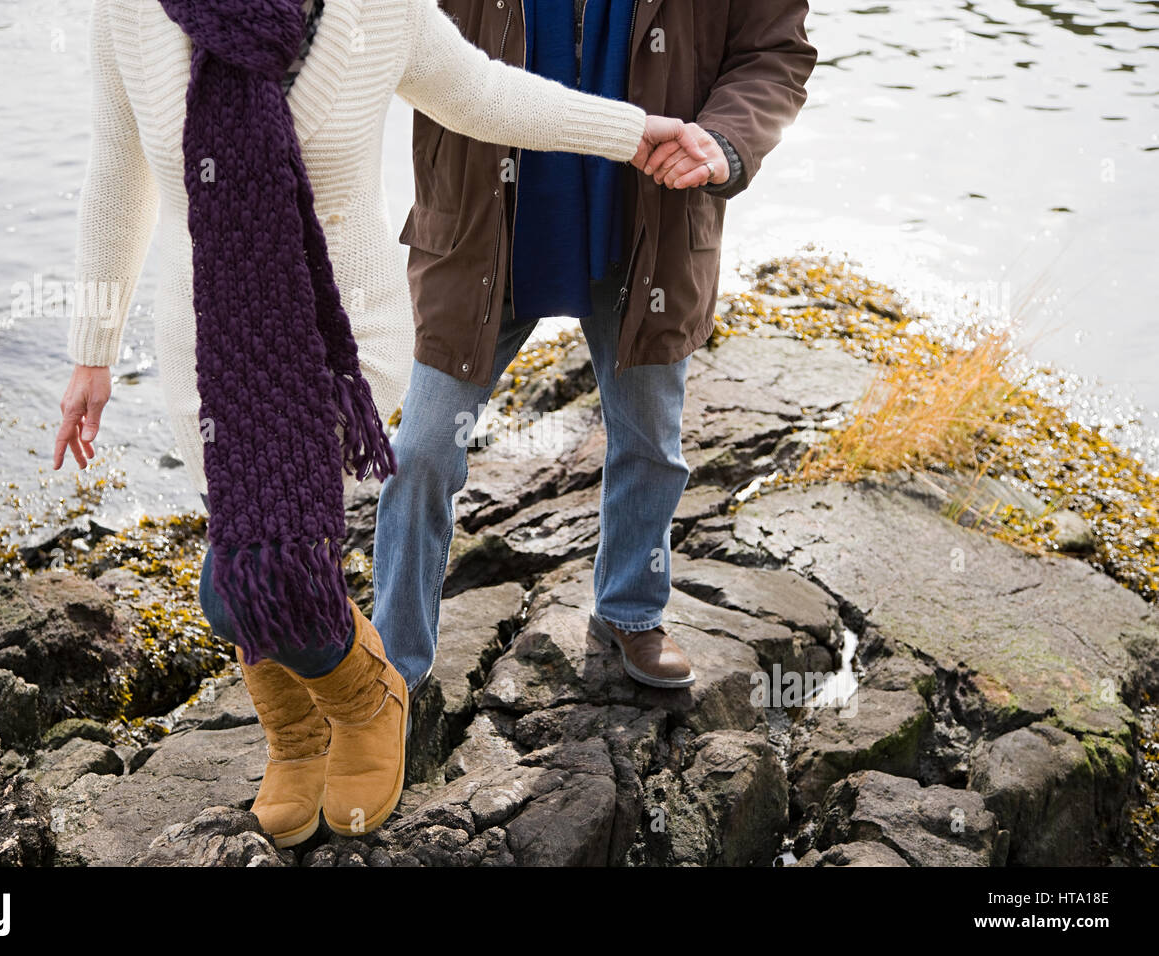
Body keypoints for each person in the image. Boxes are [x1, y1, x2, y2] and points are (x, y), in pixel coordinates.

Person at [52, 0, 704, 846]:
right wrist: (92, 349)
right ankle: (295, 735)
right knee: (244, 556)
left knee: (248, 572)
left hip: (336, 341)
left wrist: (632, 131)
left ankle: (367, 697)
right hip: (204, 349)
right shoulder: (131, 14)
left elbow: (483, 94)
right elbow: (117, 173)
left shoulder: (376, 7)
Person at [373, 0, 817, 692]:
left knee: (649, 443)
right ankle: (393, 668)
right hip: (480, 227)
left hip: (650, 222)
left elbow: (774, 53)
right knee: (422, 451)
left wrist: (723, 141)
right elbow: (376, 34)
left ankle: (631, 610)